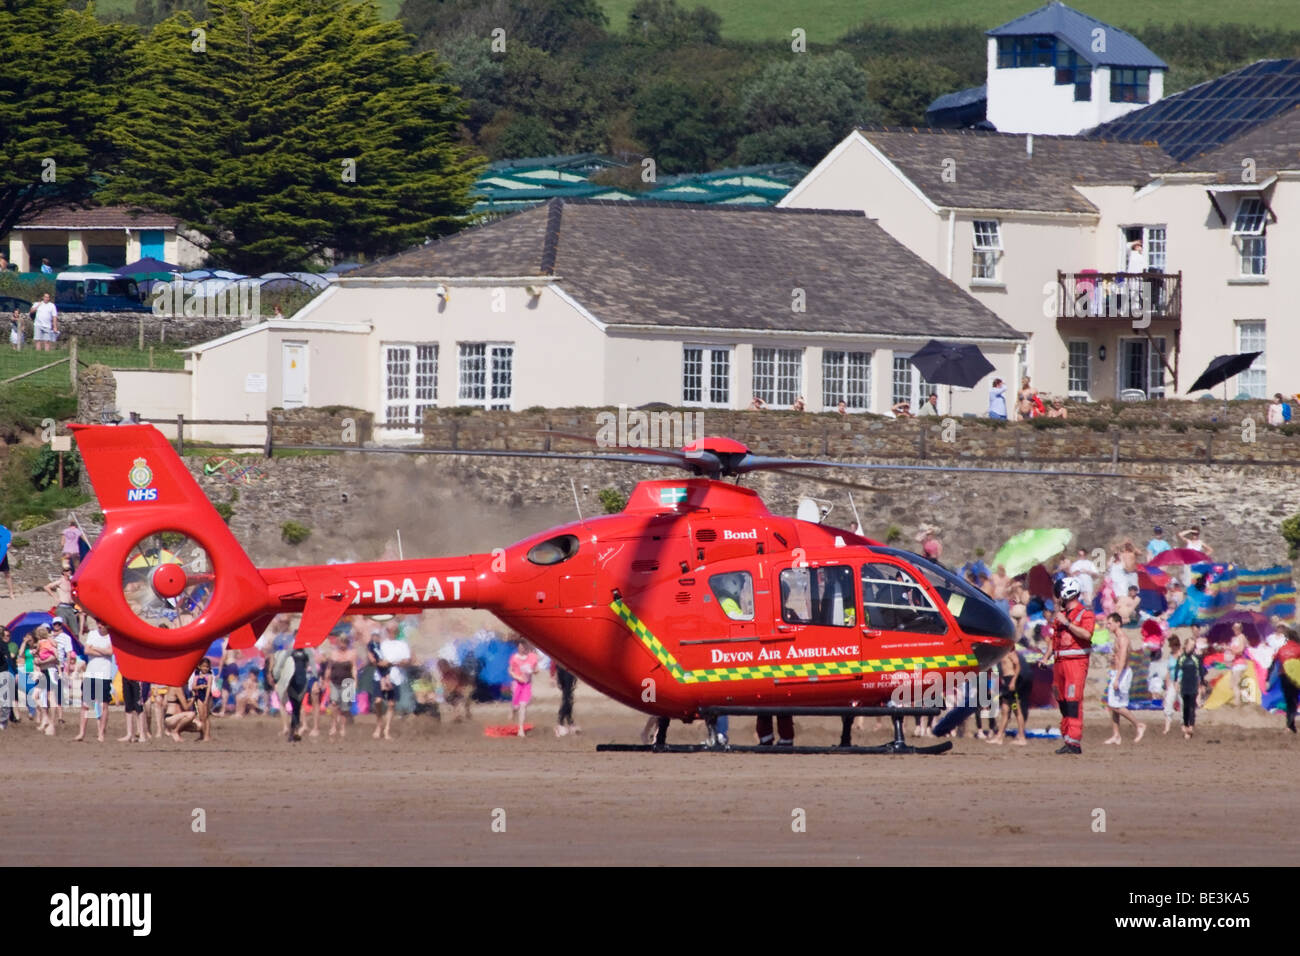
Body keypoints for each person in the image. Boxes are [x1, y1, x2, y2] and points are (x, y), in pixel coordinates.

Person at [1043, 576, 1094, 754]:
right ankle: (1067, 736)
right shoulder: (1060, 616)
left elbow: (1086, 635)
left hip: (1076, 663)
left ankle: (1074, 742)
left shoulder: (1085, 614)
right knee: (1062, 700)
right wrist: (1045, 658)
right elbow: (1053, 640)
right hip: (1059, 662)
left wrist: (1068, 624)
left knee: (1073, 701)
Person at [1102, 612, 1145, 745]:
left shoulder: (1123, 638)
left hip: (1122, 674)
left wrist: (1117, 678)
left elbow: (1123, 659)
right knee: (1113, 704)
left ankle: (1138, 724)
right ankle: (1116, 735)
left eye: (1110, 623)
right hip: (1117, 672)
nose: (1107, 626)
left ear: (1117, 623)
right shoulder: (1117, 638)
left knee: (1115, 705)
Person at [75, 618, 113, 743]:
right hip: (91, 674)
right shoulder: (92, 634)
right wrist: (103, 651)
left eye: (102, 623)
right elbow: (86, 650)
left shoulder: (111, 636)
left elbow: (110, 652)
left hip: (104, 675)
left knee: (103, 705)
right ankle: (82, 732)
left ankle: (101, 733)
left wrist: (95, 649)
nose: (100, 625)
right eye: (98, 623)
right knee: (86, 705)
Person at [987, 647, 1030, 746]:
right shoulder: (1004, 652)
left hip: (1011, 682)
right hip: (1007, 681)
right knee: (1005, 711)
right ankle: (999, 737)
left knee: (1017, 711)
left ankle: (1022, 737)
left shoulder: (1011, 652)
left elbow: (1017, 666)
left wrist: (1013, 681)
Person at [374, 627, 410, 740]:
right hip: (381, 675)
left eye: (393, 630)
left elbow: (407, 660)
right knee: (378, 701)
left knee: (391, 704)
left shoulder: (402, 644)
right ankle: (379, 724)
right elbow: (375, 659)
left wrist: (398, 663)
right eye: (389, 630)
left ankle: (387, 729)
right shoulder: (382, 644)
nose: (391, 632)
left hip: (396, 675)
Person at [1172, 635, 1206, 740]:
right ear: (1186, 646)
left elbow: (1201, 671)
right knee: (1185, 707)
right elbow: (1177, 670)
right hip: (1184, 684)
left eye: (1193, 646)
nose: (1191, 648)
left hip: (1193, 684)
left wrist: (1202, 685)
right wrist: (1176, 682)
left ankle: (1190, 727)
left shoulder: (1196, 658)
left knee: (1192, 707)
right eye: (1190, 645)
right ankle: (1186, 726)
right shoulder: (1181, 658)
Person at [325, 635, 357, 737]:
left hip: (348, 682)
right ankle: (333, 725)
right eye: (341, 642)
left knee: (344, 707)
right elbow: (329, 668)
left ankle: (342, 727)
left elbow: (354, 668)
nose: (342, 644)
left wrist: (355, 681)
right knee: (334, 703)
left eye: (344, 642)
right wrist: (326, 680)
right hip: (334, 681)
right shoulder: (333, 654)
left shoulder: (352, 654)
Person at [508, 640, 539, 737]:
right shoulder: (514, 658)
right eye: (521, 647)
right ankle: (512, 710)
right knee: (516, 706)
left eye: (524, 647)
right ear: (518, 648)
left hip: (527, 684)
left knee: (523, 705)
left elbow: (537, 670)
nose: (523, 649)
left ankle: (520, 729)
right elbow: (510, 671)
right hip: (517, 684)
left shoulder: (532, 657)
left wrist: (533, 671)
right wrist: (518, 677)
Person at [1275, 626, 1300, 733]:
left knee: (1289, 700)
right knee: (1294, 701)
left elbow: (1273, 661)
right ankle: (1290, 725)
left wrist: (1267, 678)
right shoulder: (1299, 648)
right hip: (1294, 677)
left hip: (1283, 676)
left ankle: (1290, 725)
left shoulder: (1282, 649)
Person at [44, 569, 78, 634]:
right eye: (67, 571)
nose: (69, 572)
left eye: (69, 570)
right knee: (63, 628)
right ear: (63, 572)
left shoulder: (71, 582)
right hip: (62, 607)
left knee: (75, 630)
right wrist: (55, 597)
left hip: (70, 607)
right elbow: (47, 587)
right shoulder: (60, 581)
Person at [552, 662, 580, 737]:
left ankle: (569, 722)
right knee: (567, 696)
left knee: (568, 696)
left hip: (564, 667)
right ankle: (560, 723)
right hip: (566, 668)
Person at [190, 657, 215, 741]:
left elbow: (209, 688)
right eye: (203, 666)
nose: (205, 668)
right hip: (199, 697)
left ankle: (207, 735)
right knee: (201, 716)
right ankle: (202, 734)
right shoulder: (196, 676)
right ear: (199, 666)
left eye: (207, 667)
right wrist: (199, 687)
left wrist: (206, 699)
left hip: (207, 697)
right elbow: (193, 687)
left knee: (206, 716)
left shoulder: (210, 676)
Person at [0, 624, 14, 729]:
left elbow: (7, 657)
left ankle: (3, 721)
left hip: (2, 672)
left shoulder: (3, 645)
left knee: (4, 699)